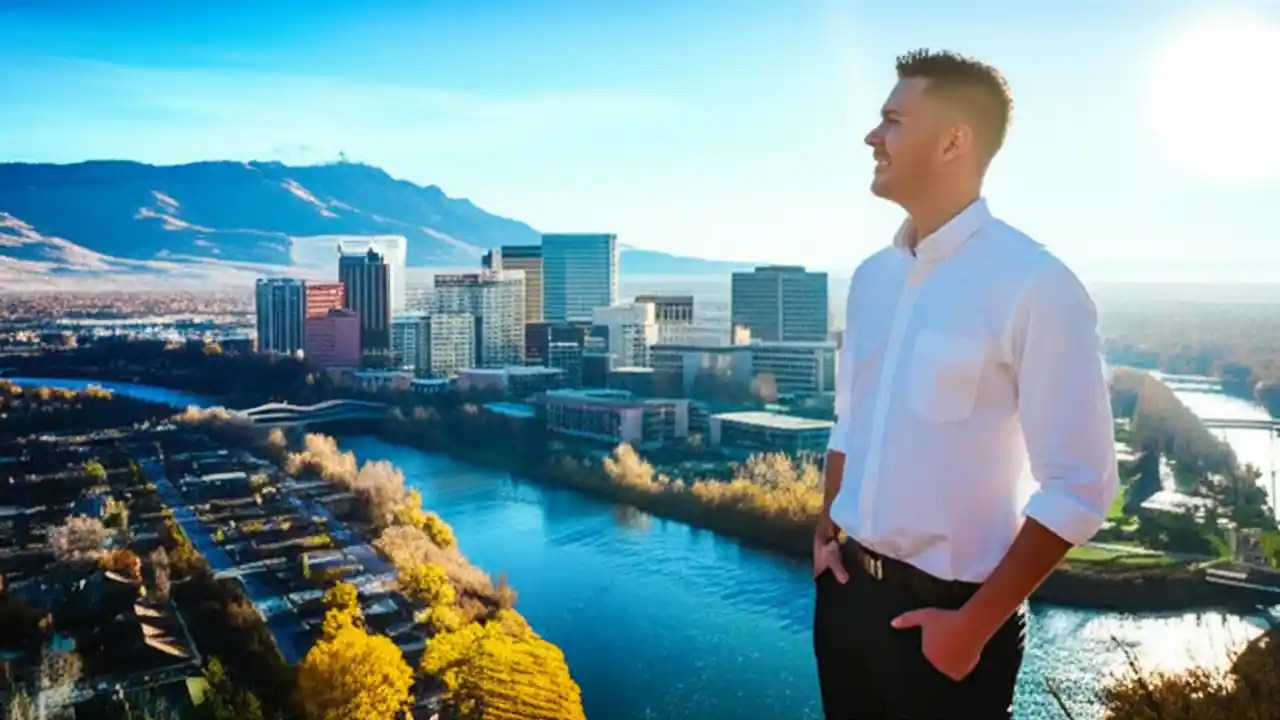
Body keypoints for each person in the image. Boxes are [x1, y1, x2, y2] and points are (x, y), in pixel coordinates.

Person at [812, 49, 1119, 719]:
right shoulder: (871, 279)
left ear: (954, 140)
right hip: (844, 601)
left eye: (892, 120)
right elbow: (850, 421)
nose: (872, 137)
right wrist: (824, 533)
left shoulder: (1037, 285)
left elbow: (1081, 486)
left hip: (951, 622)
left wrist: (973, 626)